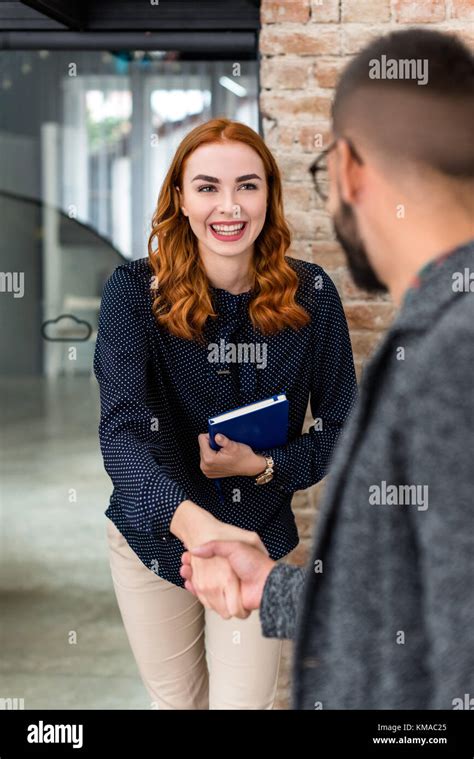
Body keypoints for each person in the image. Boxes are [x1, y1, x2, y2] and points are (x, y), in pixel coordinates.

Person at [181, 29, 474, 709]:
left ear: (346, 169)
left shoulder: (452, 354)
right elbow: (421, 597)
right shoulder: (441, 328)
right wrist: (274, 588)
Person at [93, 118, 357, 709]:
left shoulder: (311, 294)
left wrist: (265, 465)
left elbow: (345, 429)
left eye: (248, 185)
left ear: (269, 195)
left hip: (256, 537)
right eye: (208, 187)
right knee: (178, 703)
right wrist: (198, 527)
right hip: (152, 537)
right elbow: (123, 433)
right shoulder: (135, 293)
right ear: (181, 200)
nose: (229, 206)